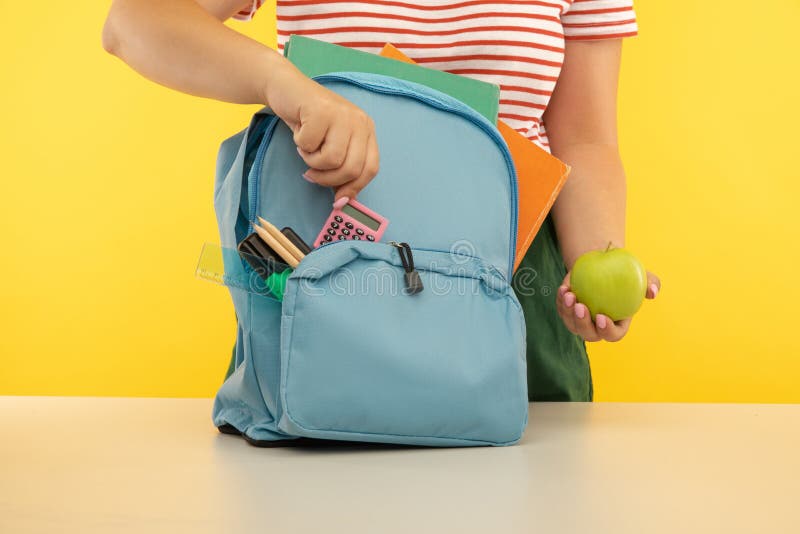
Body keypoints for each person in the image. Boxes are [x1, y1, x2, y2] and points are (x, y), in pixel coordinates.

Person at [102, 0, 661, 402]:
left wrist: (590, 270)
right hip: (328, 265)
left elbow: (585, 138)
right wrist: (284, 83)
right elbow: (133, 21)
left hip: (512, 284)